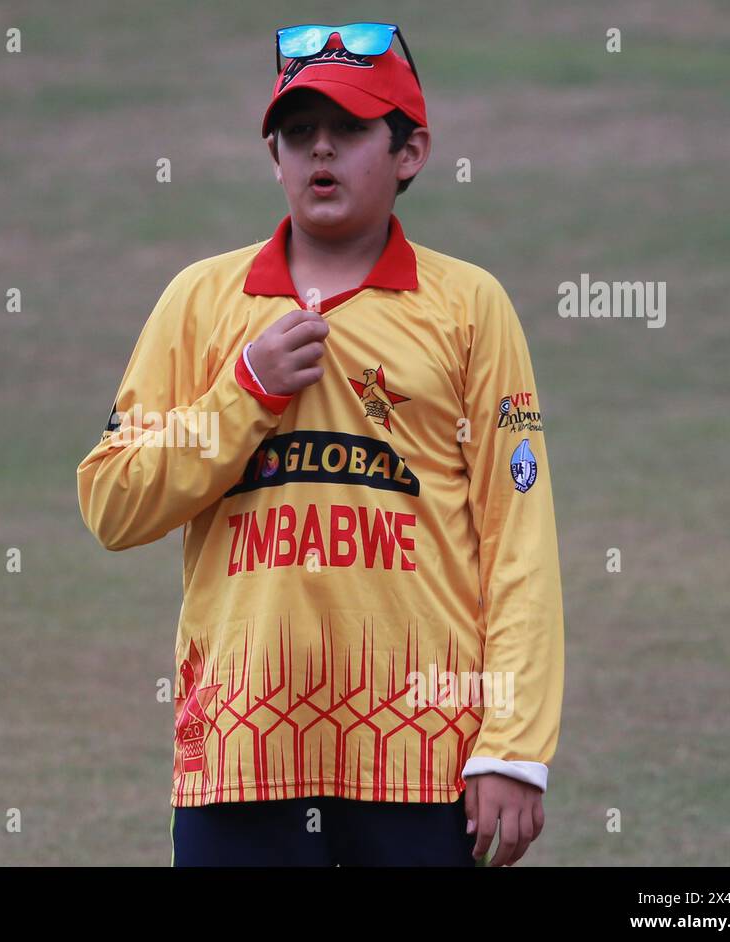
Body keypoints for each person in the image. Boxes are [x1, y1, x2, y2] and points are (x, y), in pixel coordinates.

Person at [76, 23, 564, 867]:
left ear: (409, 152)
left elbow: (516, 542)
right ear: (274, 157)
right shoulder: (199, 301)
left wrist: (512, 746)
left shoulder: (469, 306)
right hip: (238, 753)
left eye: (348, 129)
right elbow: (114, 505)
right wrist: (246, 394)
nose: (319, 151)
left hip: (422, 756)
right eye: (297, 133)